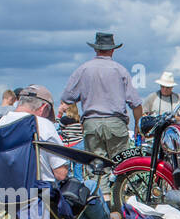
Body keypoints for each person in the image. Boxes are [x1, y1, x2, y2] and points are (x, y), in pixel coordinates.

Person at [0, 85, 118, 219]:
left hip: (6, 198)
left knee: (73, 194)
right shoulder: (41, 125)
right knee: (84, 189)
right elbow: (60, 173)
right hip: (41, 201)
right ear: (44, 108)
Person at [59, 31, 143, 197]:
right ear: (112, 50)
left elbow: (67, 97)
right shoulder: (120, 70)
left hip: (92, 123)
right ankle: (129, 201)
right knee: (124, 164)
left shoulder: (83, 70)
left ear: (96, 49)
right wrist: (138, 125)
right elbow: (136, 103)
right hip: (116, 123)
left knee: (97, 168)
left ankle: (104, 203)